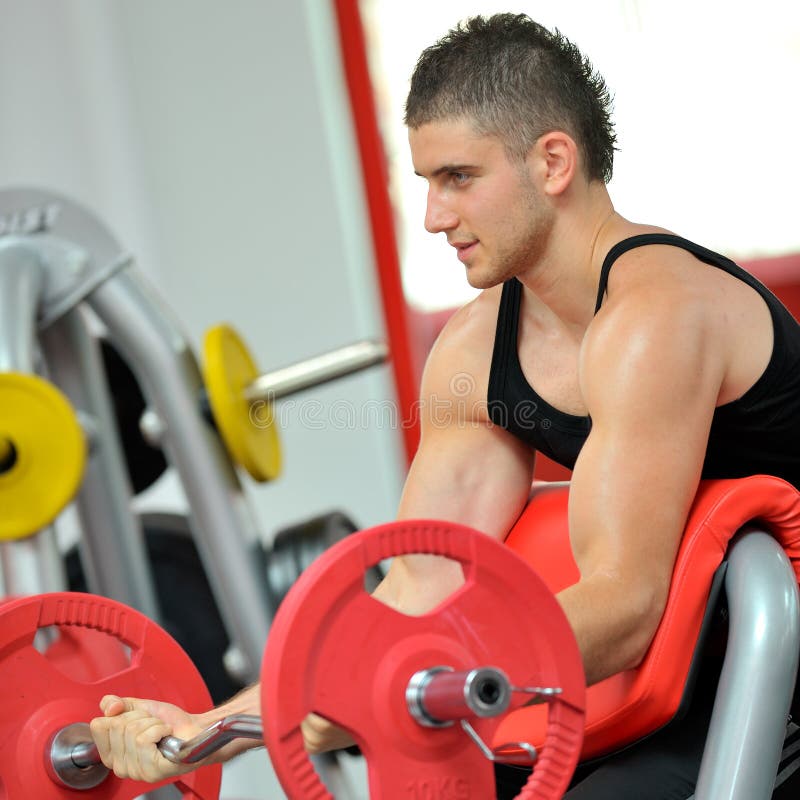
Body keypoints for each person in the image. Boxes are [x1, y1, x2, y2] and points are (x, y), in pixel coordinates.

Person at [90, 13, 800, 799]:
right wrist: (206, 729)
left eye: (458, 177)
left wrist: (420, 668)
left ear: (553, 162)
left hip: (773, 670)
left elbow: (624, 604)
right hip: (656, 675)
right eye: (426, 181)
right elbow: (412, 593)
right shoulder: (472, 350)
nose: (433, 216)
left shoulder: (654, 316)